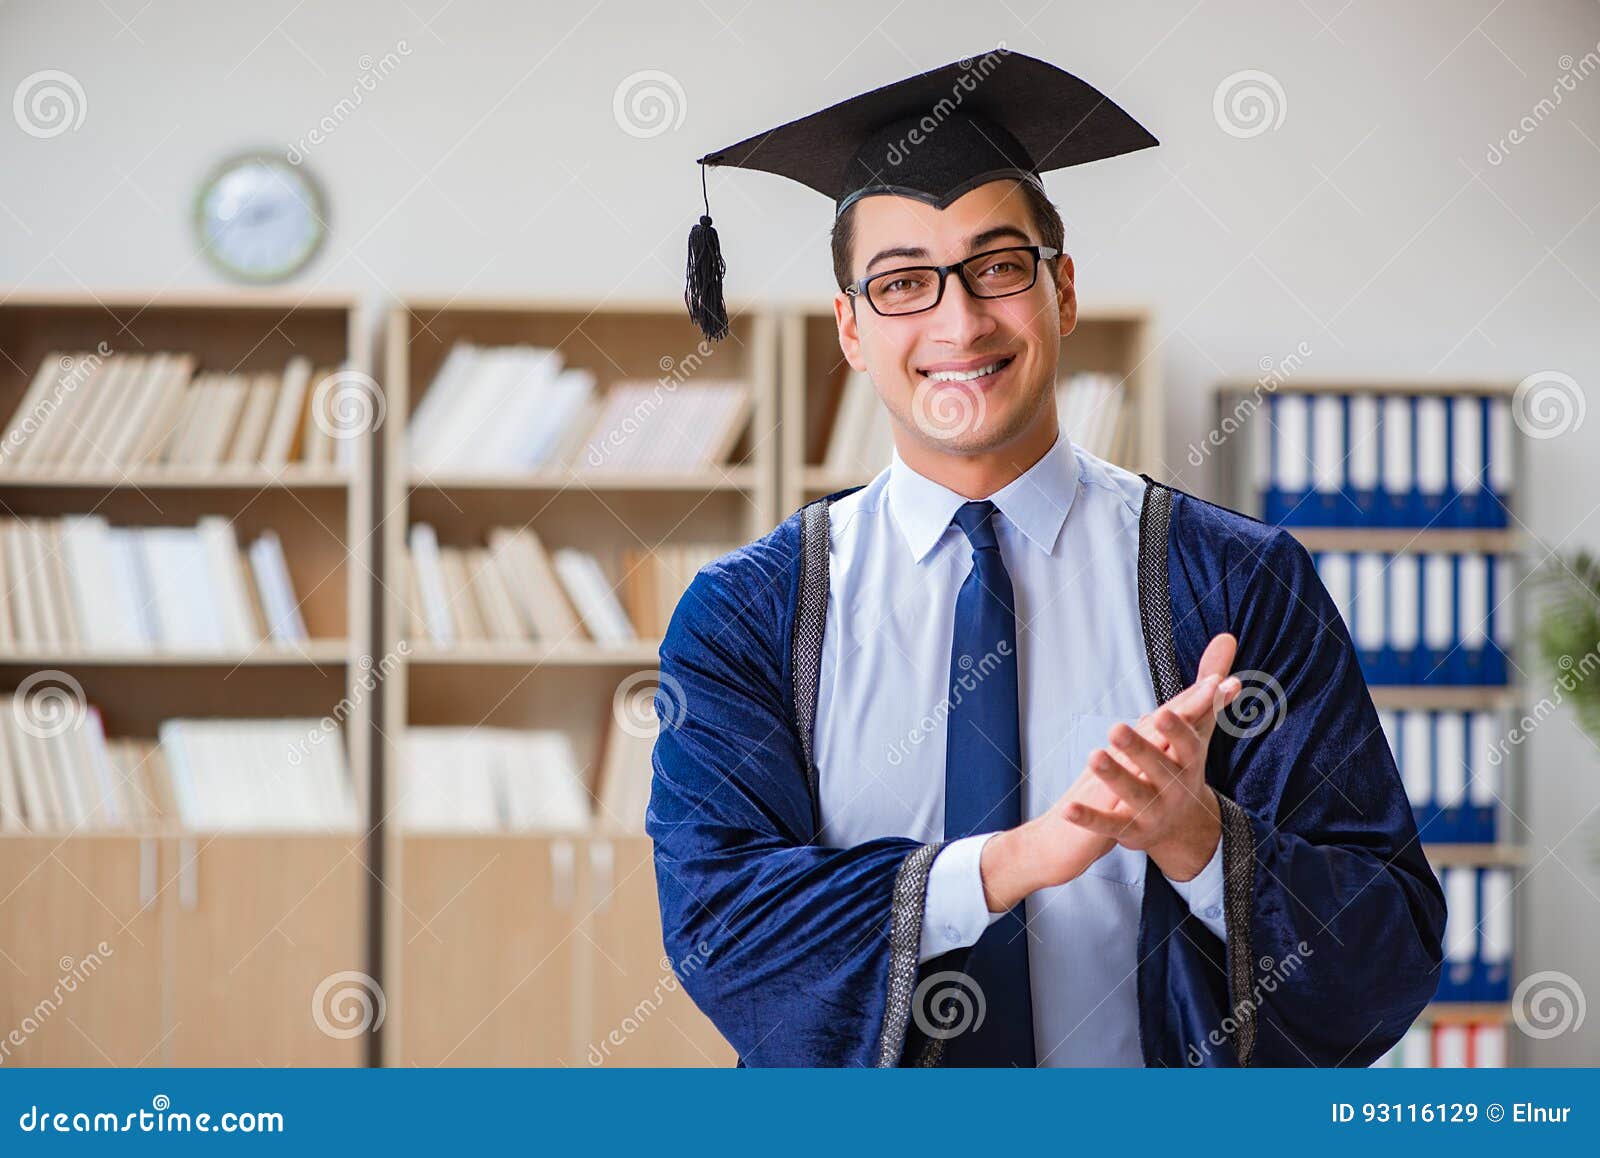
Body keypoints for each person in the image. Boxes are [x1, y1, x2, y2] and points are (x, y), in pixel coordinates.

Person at [650, 47, 1446, 1067]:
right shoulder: (750, 615)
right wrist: (1013, 862)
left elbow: (1389, 947)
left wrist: (1197, 836)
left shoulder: (1234, 583)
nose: (959, 319)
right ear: (848, 330)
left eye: (997, 266)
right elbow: (723, 928)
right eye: (901, 283)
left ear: (1061, 291)